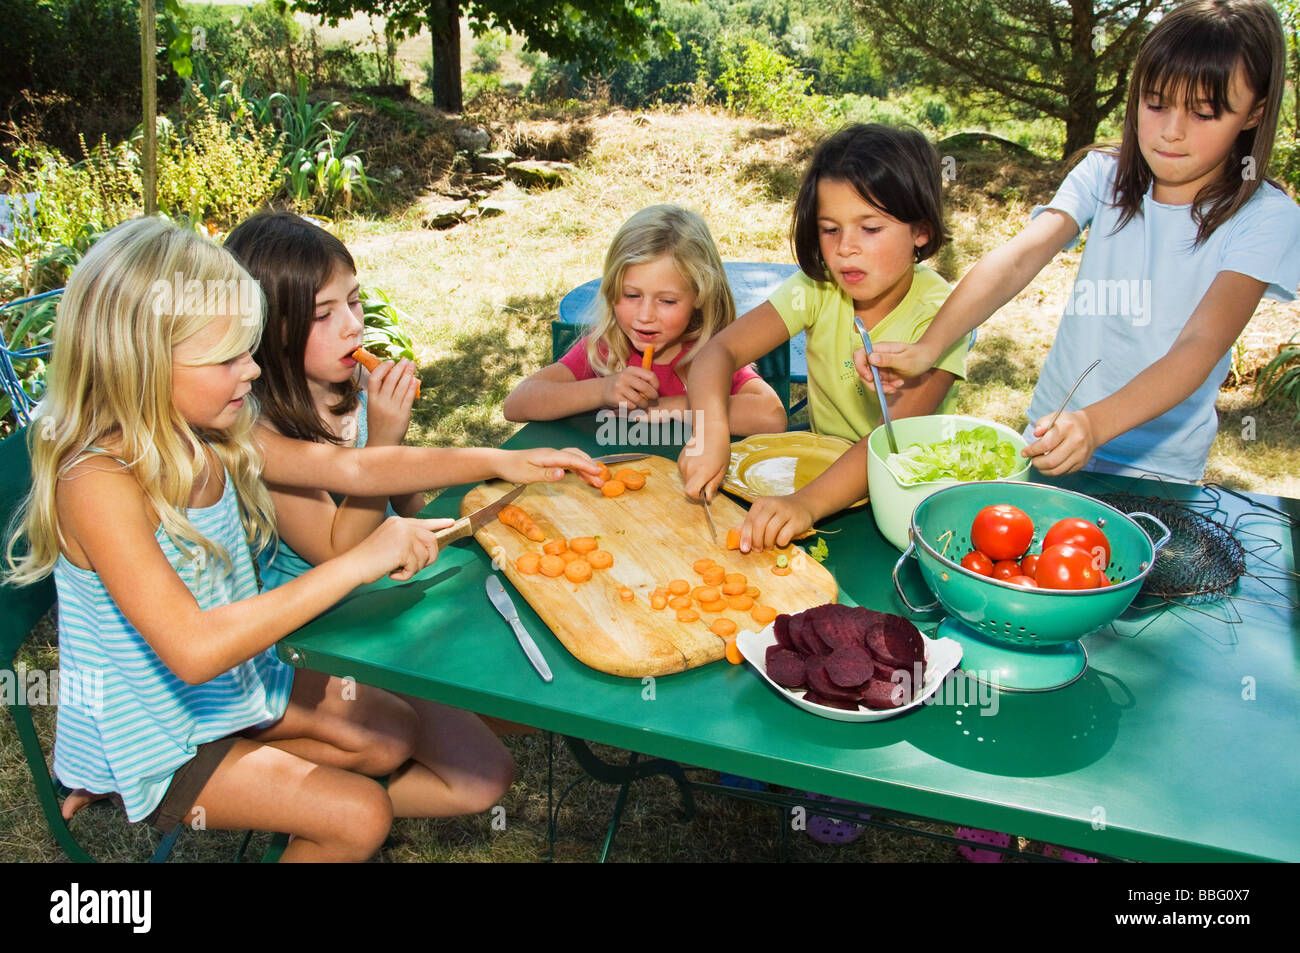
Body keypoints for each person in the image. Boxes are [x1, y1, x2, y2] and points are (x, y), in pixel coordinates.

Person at [4, 217, 599, 861]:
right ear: (141, 360)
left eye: (250, 349)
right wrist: (358, 563)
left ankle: (255, 777)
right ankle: (136, 778)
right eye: (228, 356)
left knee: (392, 734)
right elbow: (194, 651)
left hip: (235, 687)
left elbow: (355, 468)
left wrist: (497, 460)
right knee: (359, 816)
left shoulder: (215, 433)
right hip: (158, 731)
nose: (254, 370)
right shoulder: (99, 481)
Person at [864, 0, 1300, 485]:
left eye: (1203, 113)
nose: (1171, 132)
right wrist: (929, 347)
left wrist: (1095, 425)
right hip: (1053, 436)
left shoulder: (1265, 217)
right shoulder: (1102, 174)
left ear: (1254, 113)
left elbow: (1200, 345)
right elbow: (1018, 259)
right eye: (1154, 104)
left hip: (1160, 469)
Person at [680, 124, 966, 550]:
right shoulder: (817, 287)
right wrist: (711, 432)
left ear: (920, 231)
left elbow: (892, 439)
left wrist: (804, 505)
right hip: (821, 491)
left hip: (910, 508)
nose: (844, 248)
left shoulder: (945, 316)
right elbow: (719, 352)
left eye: (869, 228)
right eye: (830, 229)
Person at [224, 211, 427, 592]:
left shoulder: (358, 380)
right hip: (323, 619)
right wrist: (382, 441)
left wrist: (438, 528)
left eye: (353, 301)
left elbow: (400, 484)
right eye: (322, 314)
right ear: (266, 328)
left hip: (390, 581)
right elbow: (338, 551)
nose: (352, 324)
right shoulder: (258, 433)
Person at [502, 204, 787, 435]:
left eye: (667, 301)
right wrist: (603, 389)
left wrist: (677, 406)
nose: (645, 316)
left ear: (699, 296)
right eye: (631, 295)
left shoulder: (710, 354)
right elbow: (517, 403)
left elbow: (771, 415)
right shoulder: (607, 349)